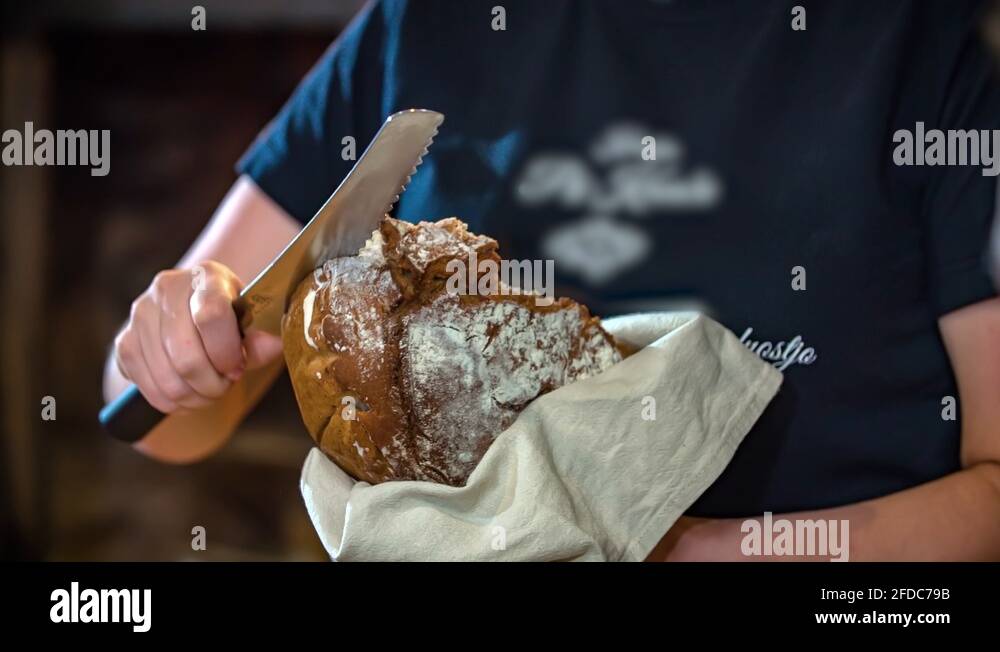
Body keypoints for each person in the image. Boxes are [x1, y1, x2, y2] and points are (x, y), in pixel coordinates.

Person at [103, 0, 1000, 560]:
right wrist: (178, 337)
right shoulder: (426, 25)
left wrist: (689, 554)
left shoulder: (918, 47)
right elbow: (164, 427)